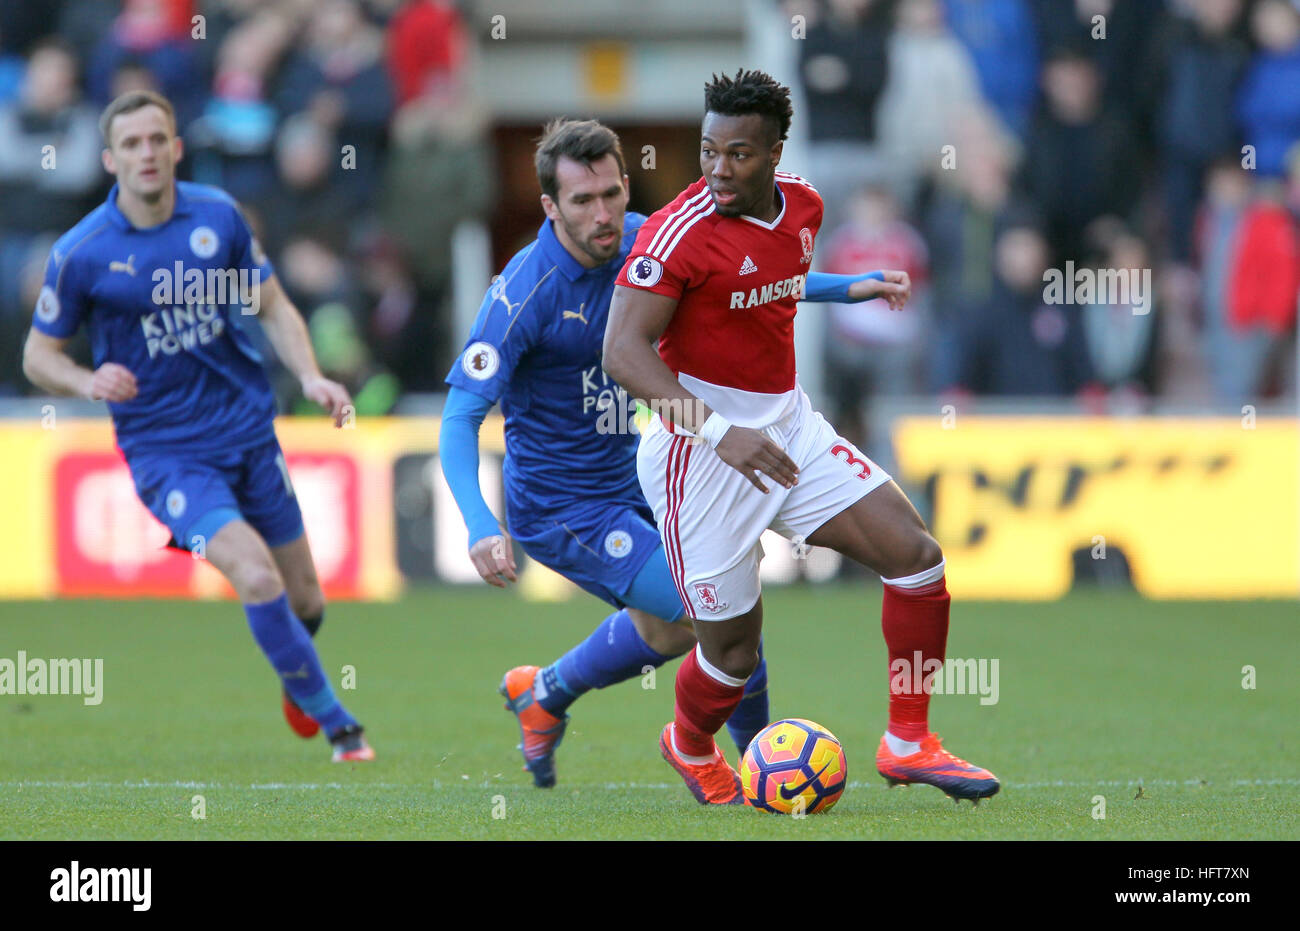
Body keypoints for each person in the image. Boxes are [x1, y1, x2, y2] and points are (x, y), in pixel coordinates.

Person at [440, 117, 884, 788]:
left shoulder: (647, 240)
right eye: (583, 202)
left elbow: (742, 278)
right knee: (706, 611)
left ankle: (546, 694)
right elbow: (458, 418)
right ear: (549, 208)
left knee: (725, 600)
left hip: (640, 480)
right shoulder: (523, 292)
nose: (604, 214)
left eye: (612, 194)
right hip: (564, 507)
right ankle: (754, 762)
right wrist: (479, 523)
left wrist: (841, 287)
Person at [604, 69, 999, 805]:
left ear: (776, 152)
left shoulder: (808, 205)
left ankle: (908, 741)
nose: (719, 169)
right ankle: (687, 743)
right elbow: (622, 353)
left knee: (916, 559)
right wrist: (721, 431)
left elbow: (769, 280)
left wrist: (845, 286)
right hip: (701, 455)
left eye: (739, 155)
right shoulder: (676, 233)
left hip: (789, 427)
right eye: (708, 151)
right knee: (729, 659)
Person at [21, 90, 373, 763]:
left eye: (158, 139)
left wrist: (309, 375)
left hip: (247, 431)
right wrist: (84, 380)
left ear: (177, 147)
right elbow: (38, 355)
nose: (147, 153)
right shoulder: (83, 252)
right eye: (131, 144)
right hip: (168, 453)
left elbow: (272, 305)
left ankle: (296, 675)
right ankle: (341, 727)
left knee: (306, 598)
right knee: (255, 574)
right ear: (109, 159)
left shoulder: (218, 217)